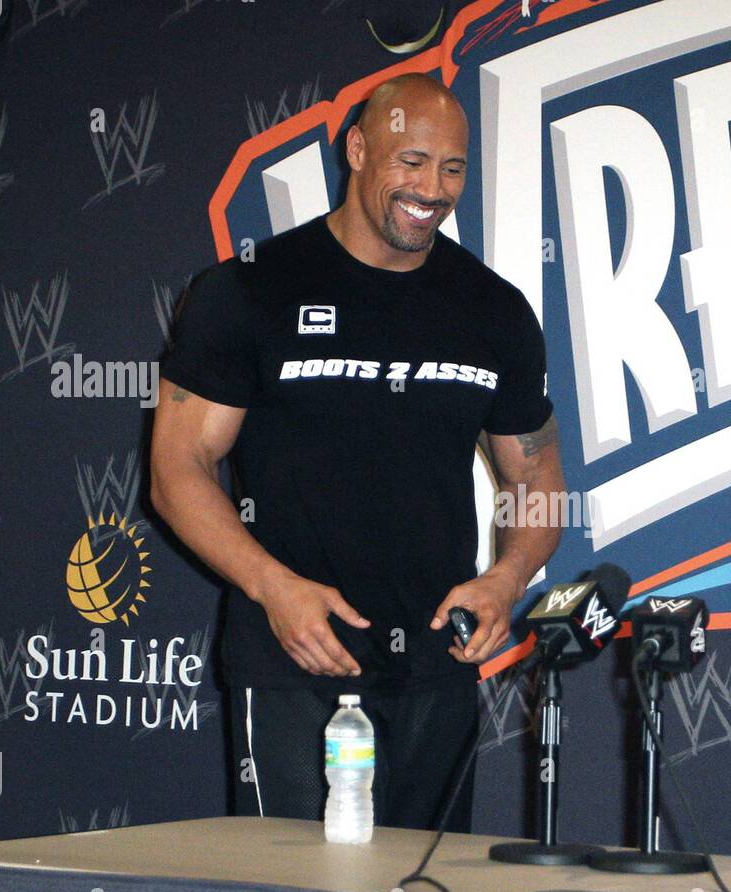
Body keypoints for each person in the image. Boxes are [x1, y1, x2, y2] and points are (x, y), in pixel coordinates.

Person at [150, 73, 565, 832]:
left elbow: (534, 471)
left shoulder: (494, 311)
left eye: (452, 168)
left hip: (437, 670)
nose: (432, 188)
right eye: (411, 160)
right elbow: (177, 471)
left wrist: (506, 580)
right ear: (358, 149)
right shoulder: (250, 291)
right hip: (294, 661)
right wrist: (274, 588)